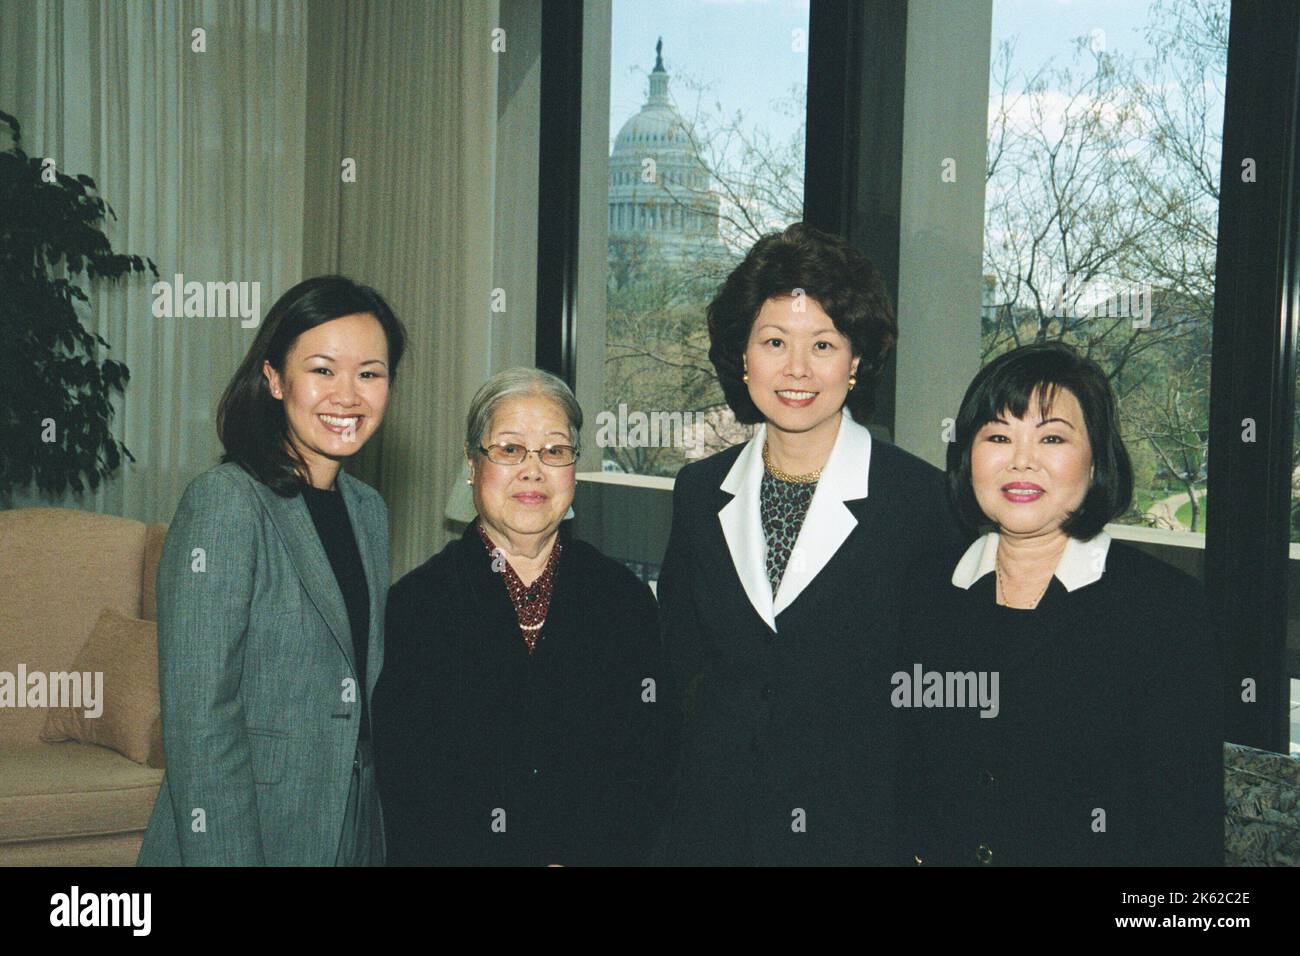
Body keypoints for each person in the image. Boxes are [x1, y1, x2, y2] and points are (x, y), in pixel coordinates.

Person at [654, 222, 969, 865]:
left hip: (857, 840)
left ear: (855, 362)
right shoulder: (698, 492)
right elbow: (678, 669)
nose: (796, 369)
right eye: (774, 341)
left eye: (822, 344)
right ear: (743, 358)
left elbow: (938, 703)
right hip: (711, 836)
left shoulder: (921, 503)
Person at [895, 341, 1224, 866]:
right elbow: (901, 779)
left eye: (1052, 438)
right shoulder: (925, 589)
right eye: (998, 436)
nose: (1021, 461)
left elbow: (1186, 827)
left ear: (1096, 460)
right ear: (967, 456)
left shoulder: (1162, 611)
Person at [137, 275, 406, 866]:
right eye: (322, 370)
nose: (348, 395)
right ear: (275, 379)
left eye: (369, 373)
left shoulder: (369, 512)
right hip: (247, 838)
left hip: (352, 833)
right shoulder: (226, 502)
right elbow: (199, 723)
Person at [373, 367, 671, 866]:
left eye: (555, 451)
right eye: (509, 449)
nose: (533, 470)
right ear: (472, 464)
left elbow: (650, 766)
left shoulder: (625, 602)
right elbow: (407, 781)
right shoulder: (417, 605)